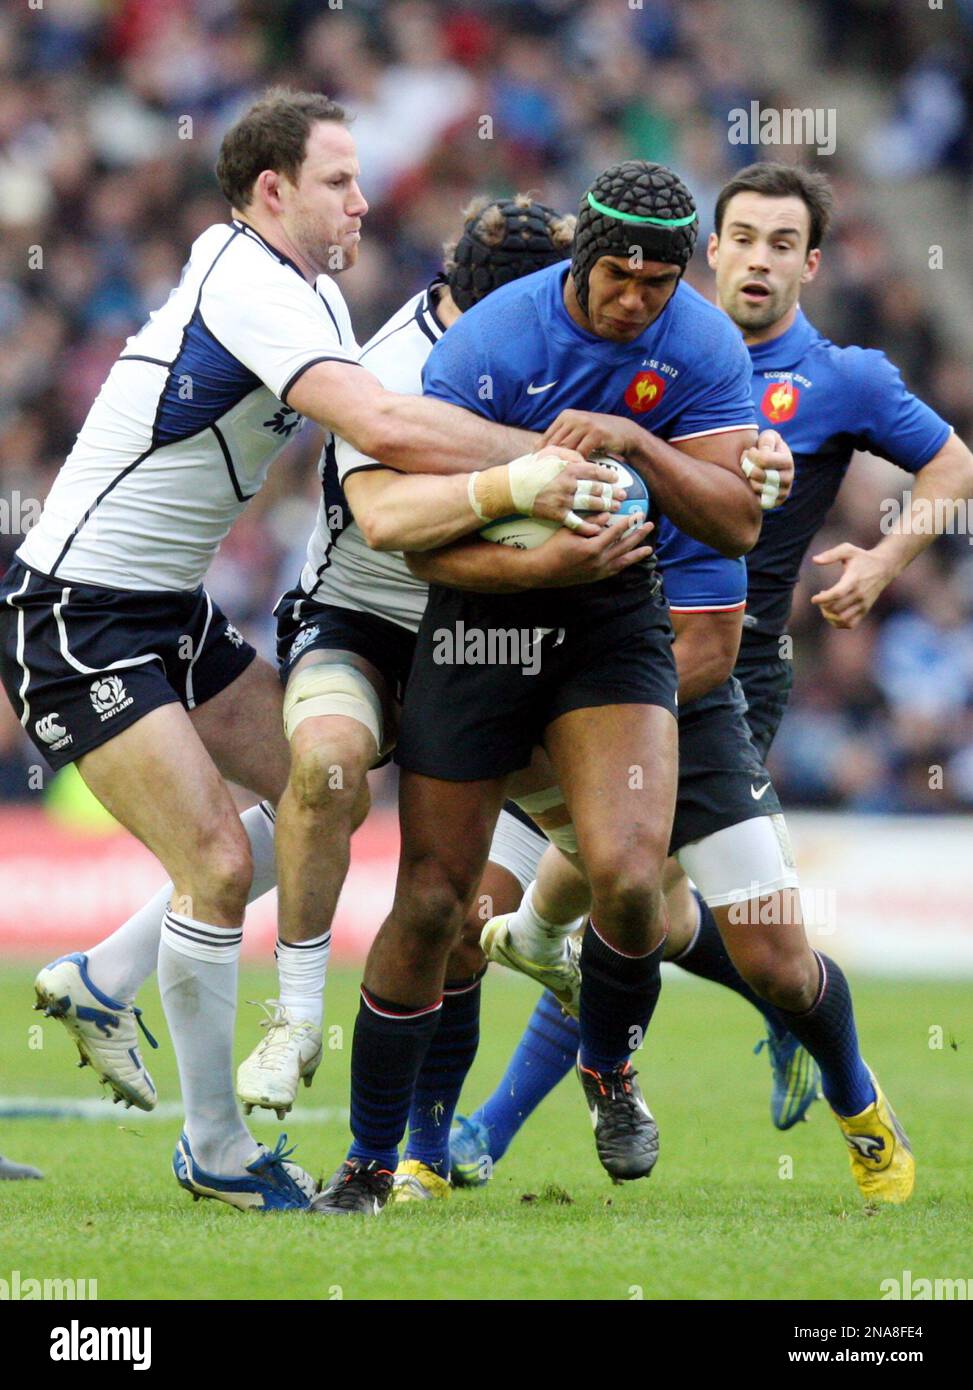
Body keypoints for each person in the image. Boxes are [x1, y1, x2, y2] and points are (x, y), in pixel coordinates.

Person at [3, 88, 607, 1213]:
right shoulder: (246, 277)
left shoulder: (313, 290)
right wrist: (536, 464)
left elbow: (388, 418)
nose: (363, 200)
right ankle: (218, 1148)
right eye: (339, 180)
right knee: (219, 870)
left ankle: (106, 975)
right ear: (270, 189)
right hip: (79, 609)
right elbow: (378, 428)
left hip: (165, 608)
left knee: (318, 790)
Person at [451, 163, 973, 1207]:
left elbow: (953, 466)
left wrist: (878, 562)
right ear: (711, 249)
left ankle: (836, 1083)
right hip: (578, 658)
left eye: (785, 242)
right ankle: (443, 1141)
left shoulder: (843, 379)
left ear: (809, 264)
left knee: (641, 895)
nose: (760, 258)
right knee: (512, 905)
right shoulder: (641, 346)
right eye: (743, 236)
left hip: (719, 668)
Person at [311, 159, 768, 1215]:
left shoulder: (698, 343)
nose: (635, 301)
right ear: (582, 259)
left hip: (611, 625)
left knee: (627, 873)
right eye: (619, 277)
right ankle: (370, 1162)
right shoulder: (488, 345)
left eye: (659, 282)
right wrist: (535, 565)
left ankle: (606, 1070)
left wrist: (639, 443)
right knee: (434, 901)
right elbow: (422, 549)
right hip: (480, 620)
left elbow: (736, 523)